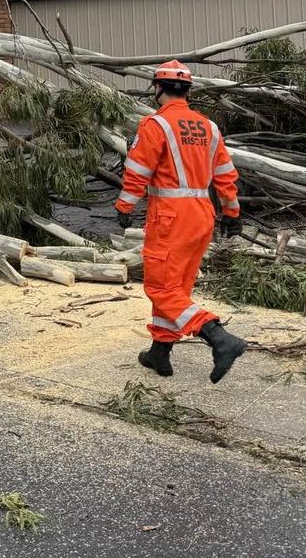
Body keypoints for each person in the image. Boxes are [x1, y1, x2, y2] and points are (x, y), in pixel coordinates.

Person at [115, 60, 247, 383]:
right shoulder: (209, 128)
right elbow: (226, 177)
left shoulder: (155, 125)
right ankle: (160, 352)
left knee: (161, 287)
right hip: (202, 216)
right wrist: (232, 213)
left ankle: (219, 337)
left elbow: (138, 171)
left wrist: (124, 205)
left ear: (158, 88)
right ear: (187, 90)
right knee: (178, 287)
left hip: (170, 219)